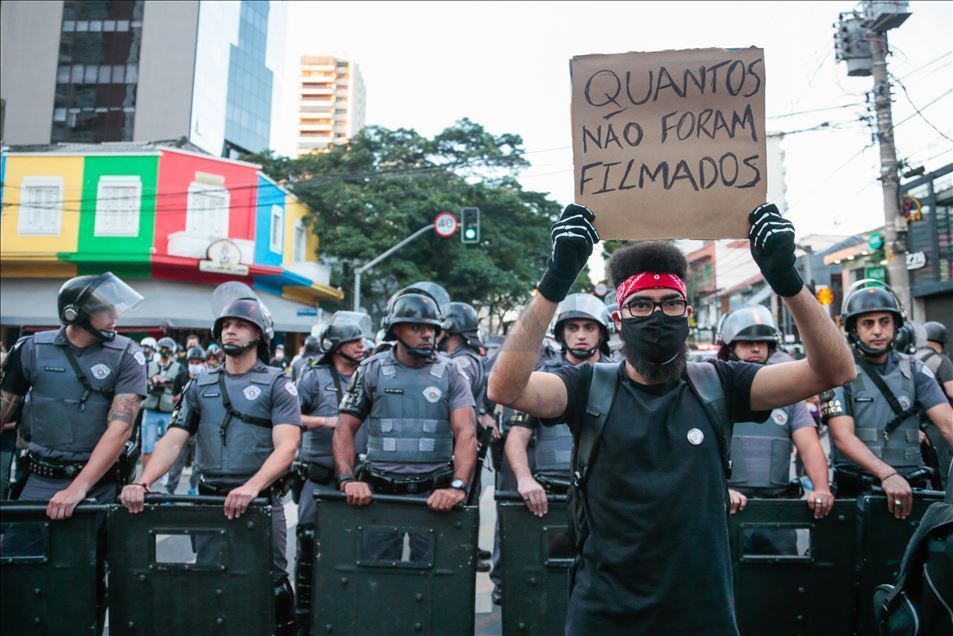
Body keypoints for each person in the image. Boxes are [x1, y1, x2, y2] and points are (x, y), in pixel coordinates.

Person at [488, 203, 856, 634]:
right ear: (619, 321)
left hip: (701, 611)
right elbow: (506, 389)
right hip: (605, 612)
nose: (658, 316)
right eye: (641, 305)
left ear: (688, 314)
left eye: (671, 303)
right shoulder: (587, 386)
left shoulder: (720, 383)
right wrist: (553, 283)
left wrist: (788, 281)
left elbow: (834, 371)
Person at [119, 292, 301, 635]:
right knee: (209, 583)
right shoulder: (199, 384)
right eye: (226, 324)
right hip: (209, 503)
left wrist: (251, 487)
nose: (231, 330)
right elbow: (174, 440)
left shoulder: (278, 383)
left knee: (272, 587)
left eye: (241, 325)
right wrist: (143, 481)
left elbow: (287, 446)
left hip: (261, 503)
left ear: (259, 334)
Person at [333, 291, 477, 561]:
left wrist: (457, 487)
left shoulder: (451, 372)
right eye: (416, 328)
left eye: (432, 328)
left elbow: (466, 433)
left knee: (437, 575)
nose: (427, 334)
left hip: (436, 497)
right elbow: (344, 428)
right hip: (380, 495)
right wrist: (348, 480)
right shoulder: (371, 369)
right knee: (376, 575)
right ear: (396, 330)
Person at [0, 272, 147, 514]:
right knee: (19, 538)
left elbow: (121, 428)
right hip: (39, 479)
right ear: (74, 313)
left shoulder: (128, 355)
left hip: (100, 485)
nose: (115, 315)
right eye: (105, 309)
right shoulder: (30, 349)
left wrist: (78, 488)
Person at [823, 283, 953, 518]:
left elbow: (948, 423)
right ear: (854, 329)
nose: (877, 331)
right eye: (868, 323)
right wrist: (887, 474)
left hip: (912, 489)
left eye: (885, 322)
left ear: (896, 326)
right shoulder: (839, 373)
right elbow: (842, 437)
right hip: (858, 495)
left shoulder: (915, 369)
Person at [717, 305, 834, 555]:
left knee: (783, 575)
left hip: (777, 512)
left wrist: (821, 488)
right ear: (730, 346)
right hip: (728, 508)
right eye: (747, 343)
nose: (756, 348)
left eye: (762, 342)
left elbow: (809, 445)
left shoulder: (787, 394)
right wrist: (721, 491)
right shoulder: (714, 391)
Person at [293, 313, 368, 634]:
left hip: (360, 476)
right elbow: (289, 417)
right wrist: (325, 421)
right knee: (309, 541)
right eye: (354, 341)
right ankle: (304, 613)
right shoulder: (312, 376)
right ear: (336, 346)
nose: (361, 345)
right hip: (319, 475)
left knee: (358, 545)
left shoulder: (370, 374)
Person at [506, 293, 611, 518]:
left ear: (602, 332)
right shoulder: (543, 377)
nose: (581, 335)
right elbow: (517, 436)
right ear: (562, 333)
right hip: (550, 495)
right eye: (572, 328)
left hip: (605, 493)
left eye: (589, 327)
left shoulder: (616, 375)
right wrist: (524, 479)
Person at [164, 346, 206, 495]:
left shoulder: (207, 377)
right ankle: (170, 491)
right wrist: (185, 392)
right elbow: (173, 399)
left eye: (197, 362)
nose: (194, 365)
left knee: (198, 462)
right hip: (182, 425)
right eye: (192, 362)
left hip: (200, 427)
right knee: (177, 461)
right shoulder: (181, 376)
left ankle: (193, 488)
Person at [916, 321, 953, 485]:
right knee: (944, 468)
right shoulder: (941, 360)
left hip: (916, 426)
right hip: (936, 423)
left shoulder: (912, 358)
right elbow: (951, 390)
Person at [140, 336, 181, 480]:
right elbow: (140, 383)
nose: (164, 351)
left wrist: (168, 383)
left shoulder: (178, 367)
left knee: (167, 448)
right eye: (162, 348)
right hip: (150, 409)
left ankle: (165, 477)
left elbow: (182, 388)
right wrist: (152, 381)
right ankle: (144, 478)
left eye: (167, 349)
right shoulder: (149, 366)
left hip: (168, 410)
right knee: (147, 447)